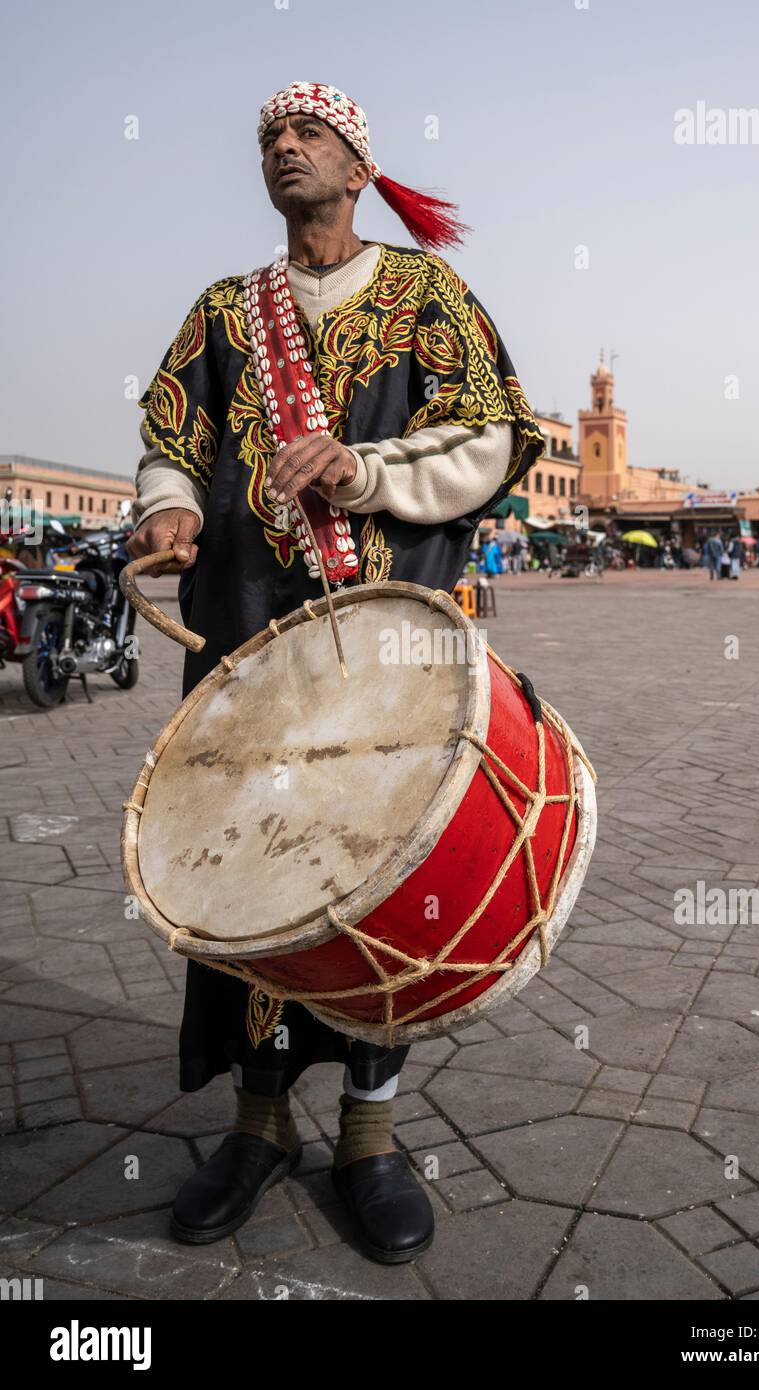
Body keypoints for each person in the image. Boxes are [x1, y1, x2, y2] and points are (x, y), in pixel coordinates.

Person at [127, 79, 543, 1263]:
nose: (282, 149)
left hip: (392, 658)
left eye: (306, 133)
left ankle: (369, 1131)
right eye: (267, 136)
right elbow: (171, 440)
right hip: (248, 643)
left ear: (358, 165)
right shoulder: (221, 310)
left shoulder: (423, 293)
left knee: (380, 872)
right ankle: (256, 1125)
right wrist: (166, 515)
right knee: (245, 866)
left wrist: (363, 473)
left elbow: (492, 435)